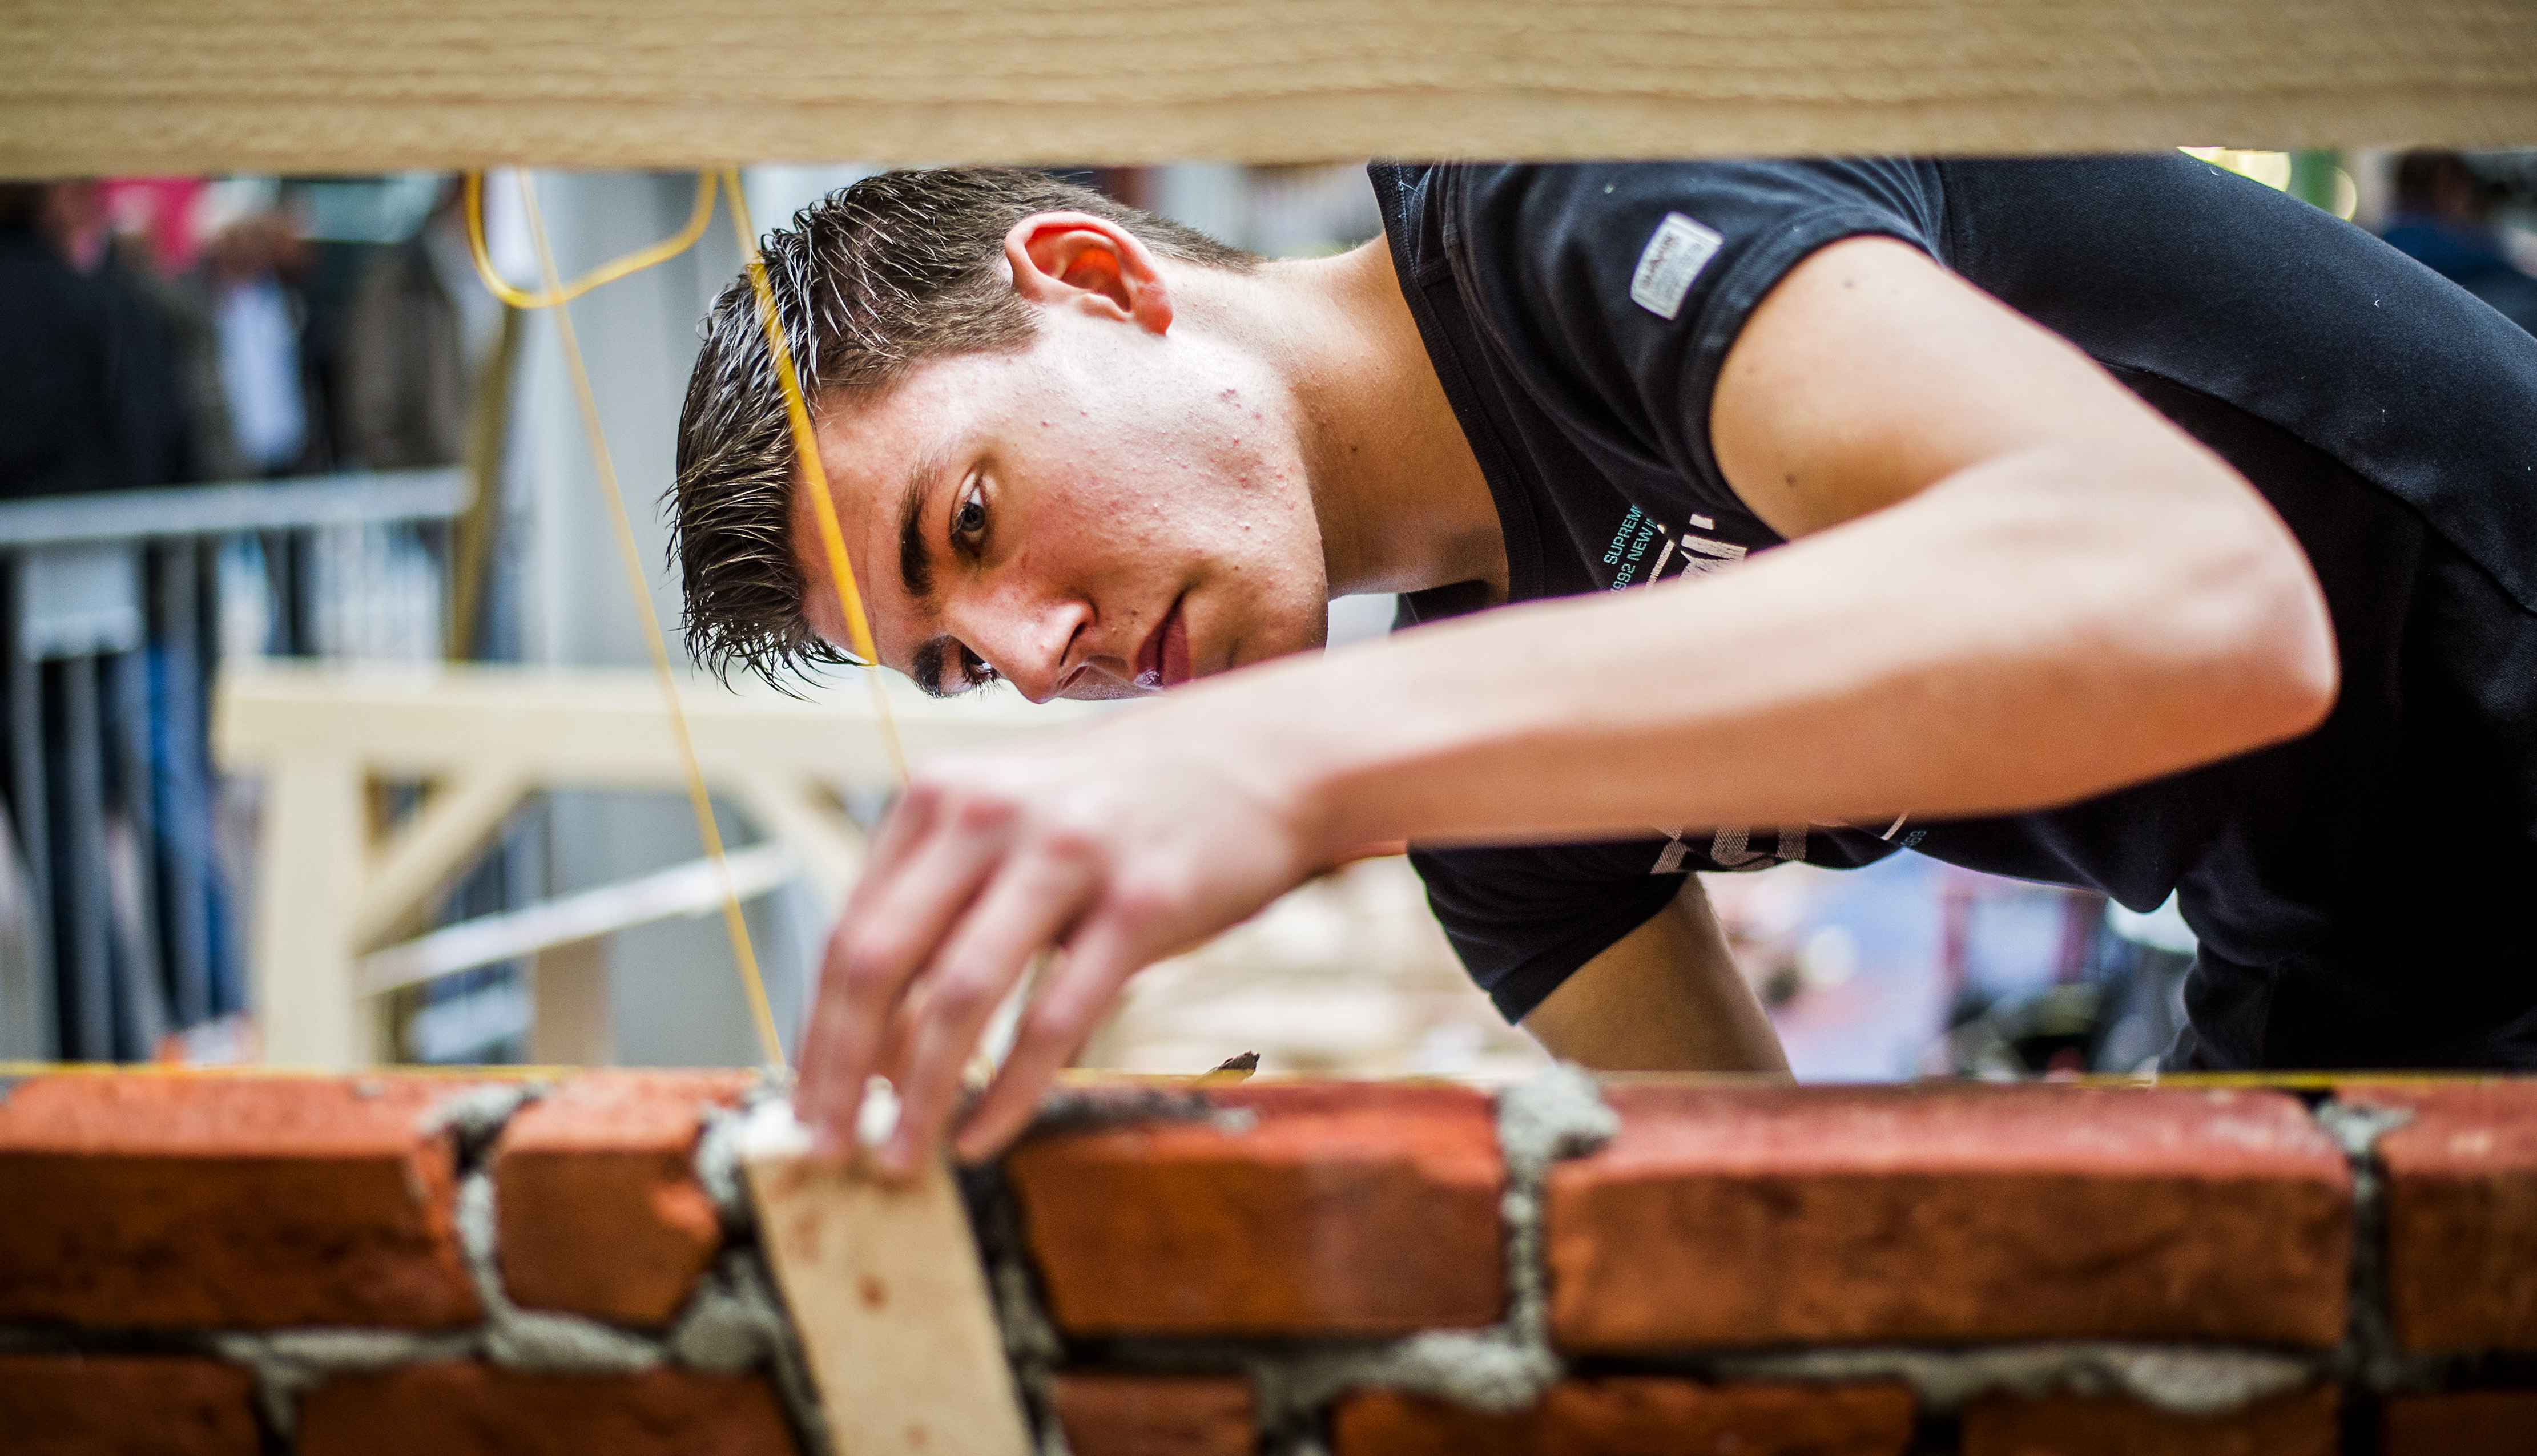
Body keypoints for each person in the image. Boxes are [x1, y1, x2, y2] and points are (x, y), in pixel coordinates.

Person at [670, 158, 2537, 1171]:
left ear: (1093, 277)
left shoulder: (1565, 194)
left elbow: (2205, 594)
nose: (1032, 655)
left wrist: (1309, 754)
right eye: (954, 667)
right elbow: (1754, 1252)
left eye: (971, 522)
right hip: (2377, 959)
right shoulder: (1507, 835)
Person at [2381, 150, 2537, 334]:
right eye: (2464, 190)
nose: (2465, 200)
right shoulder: (2440, 243)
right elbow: (2497, 266)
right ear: (2444, 183)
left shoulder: (2381, 238)